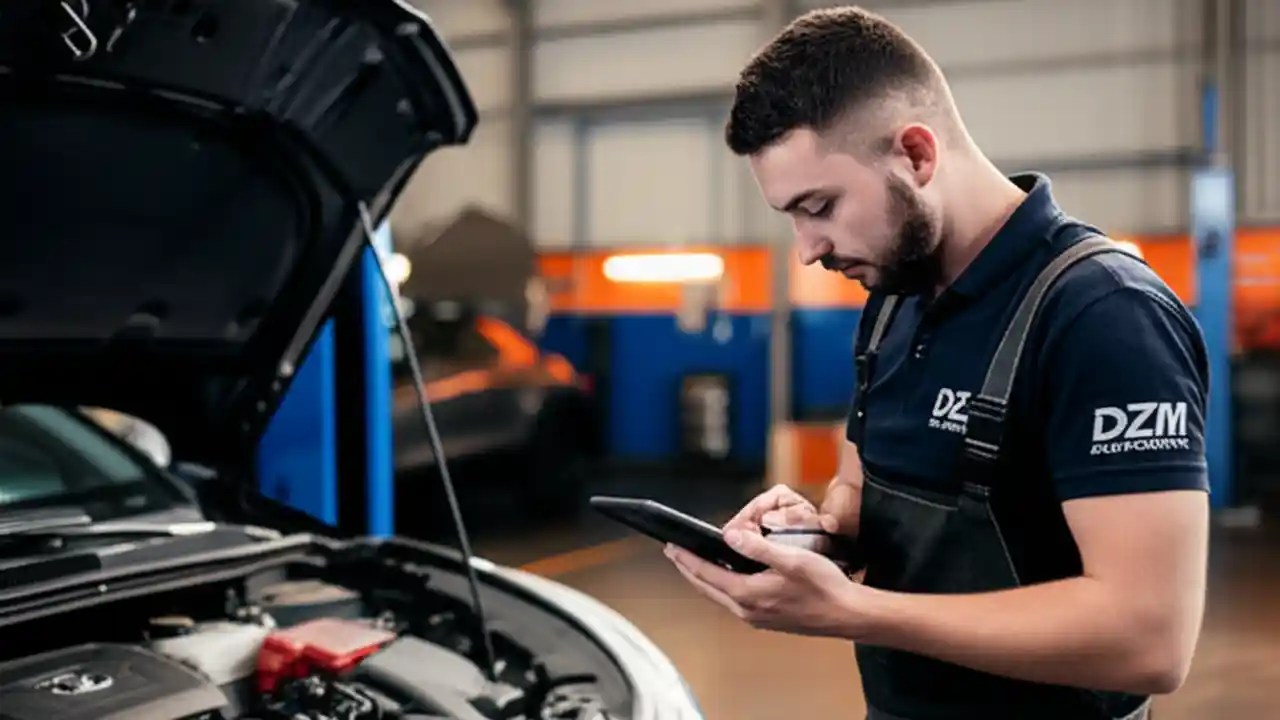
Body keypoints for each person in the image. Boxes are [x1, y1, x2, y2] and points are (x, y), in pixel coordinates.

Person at [662, 7, 1210, 720]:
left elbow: (1150, 640)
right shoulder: (892, 299)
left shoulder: (1104, 317)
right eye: (791, 216)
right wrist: (813, 534)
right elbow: (860, 493)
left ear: (916, 156)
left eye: (820, 206)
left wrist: (856, 610)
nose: (807, 248)